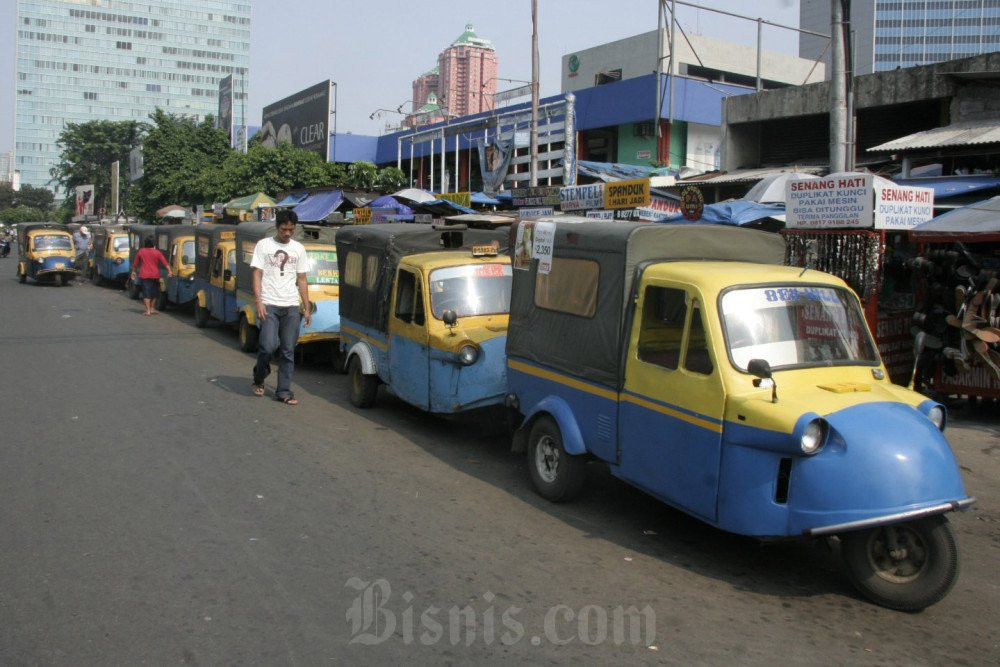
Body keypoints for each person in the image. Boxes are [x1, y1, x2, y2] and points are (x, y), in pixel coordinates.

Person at [251, 210, 311, 405]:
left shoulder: (299, 249)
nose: (287, 233)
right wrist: (259, 301)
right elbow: (257, 274)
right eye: (284, 229)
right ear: (277, 227)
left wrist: (306, 307)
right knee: (267, 347)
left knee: (287, 350)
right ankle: (259, 376)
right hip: (269, 303)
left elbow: (302, 278)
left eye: (291, 230)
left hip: (291, 305)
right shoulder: (264, 245)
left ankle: (284, 391)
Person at [130, 237, 172, 316]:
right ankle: (152, 309)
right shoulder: (157, 252)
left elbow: (135, 263)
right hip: (155, 275)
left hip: (145, 276)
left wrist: (133, 272)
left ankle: (148, 310)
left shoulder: (141, 251)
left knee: (146, 294)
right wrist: (169, 271)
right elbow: (165, 262)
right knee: (154, 293)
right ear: (154, 244)